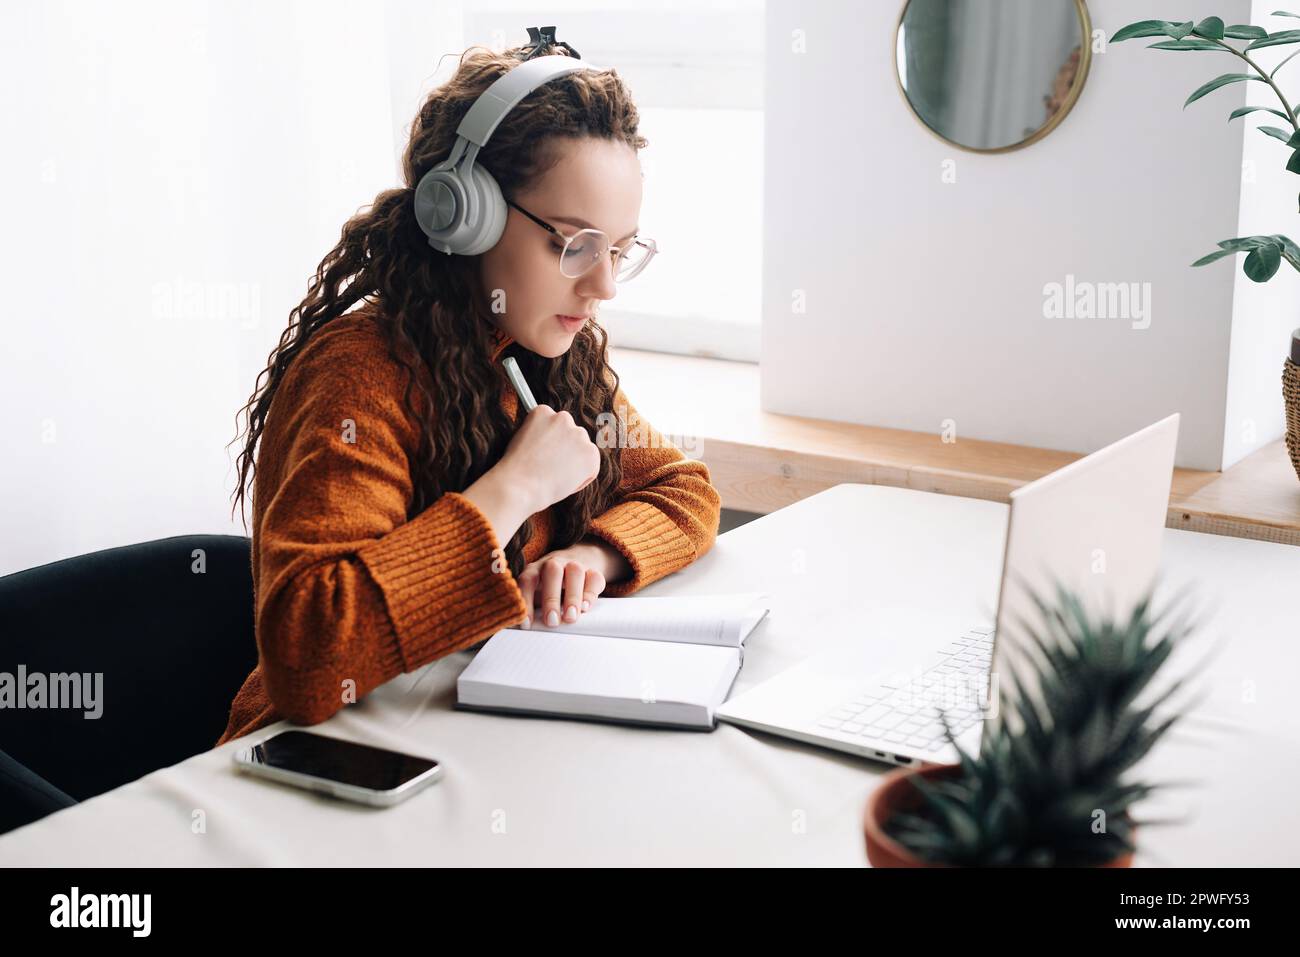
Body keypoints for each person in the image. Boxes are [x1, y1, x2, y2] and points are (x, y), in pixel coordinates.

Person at [215, 39, 722, 745]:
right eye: (574, 246)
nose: (603, 285)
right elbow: (307, 658)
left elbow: (683, 490)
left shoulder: (548, 352)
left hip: (463, 739)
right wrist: (509, 491)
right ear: (466, 214)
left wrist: (594, 558)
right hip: (319, 766)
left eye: (620, 250)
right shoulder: (360, 377)